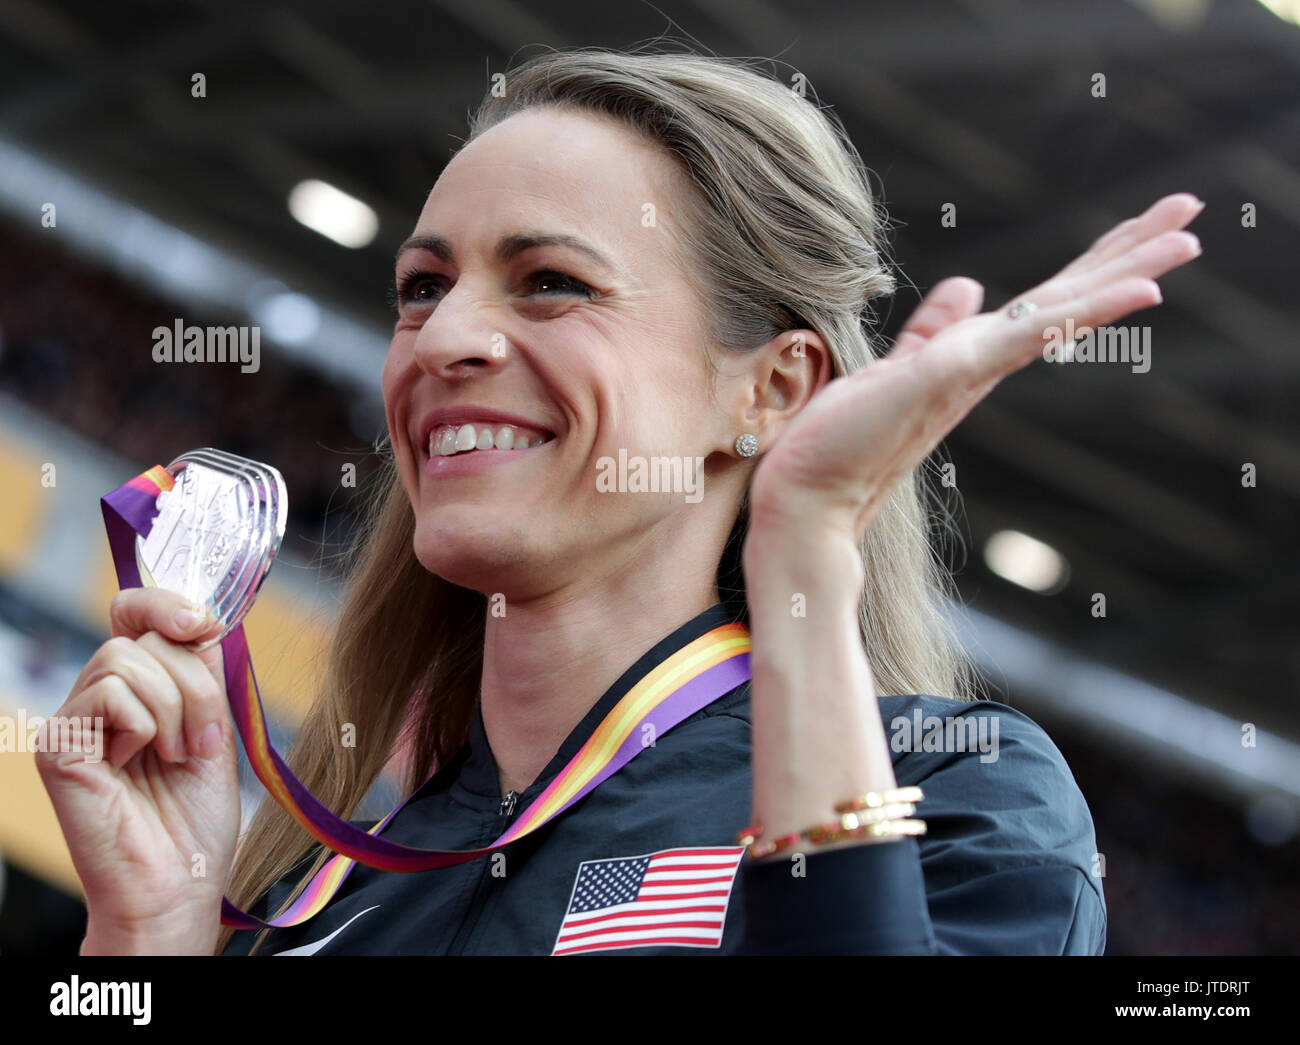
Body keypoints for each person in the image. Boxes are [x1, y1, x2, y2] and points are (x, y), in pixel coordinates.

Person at [36, 46, 1202, 956]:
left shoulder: (958, 796)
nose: (443, 337)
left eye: (551, 283)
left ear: (773, 387)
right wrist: (150, 932)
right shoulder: (320, 887)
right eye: (421, 288)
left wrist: (806, 558)